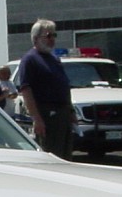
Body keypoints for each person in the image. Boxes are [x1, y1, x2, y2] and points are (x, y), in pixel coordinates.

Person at [17, 19, 77, 158]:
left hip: (63, 115)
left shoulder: (54, 59)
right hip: (47, 115)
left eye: (54, 36)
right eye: (48, 36)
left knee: (66, 156)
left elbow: (64, 85)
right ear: (36, 38)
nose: (52, 40)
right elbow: (26, 90)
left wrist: (71, 111)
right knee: (52, 155)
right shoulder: (30, 60)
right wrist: (37, 119)